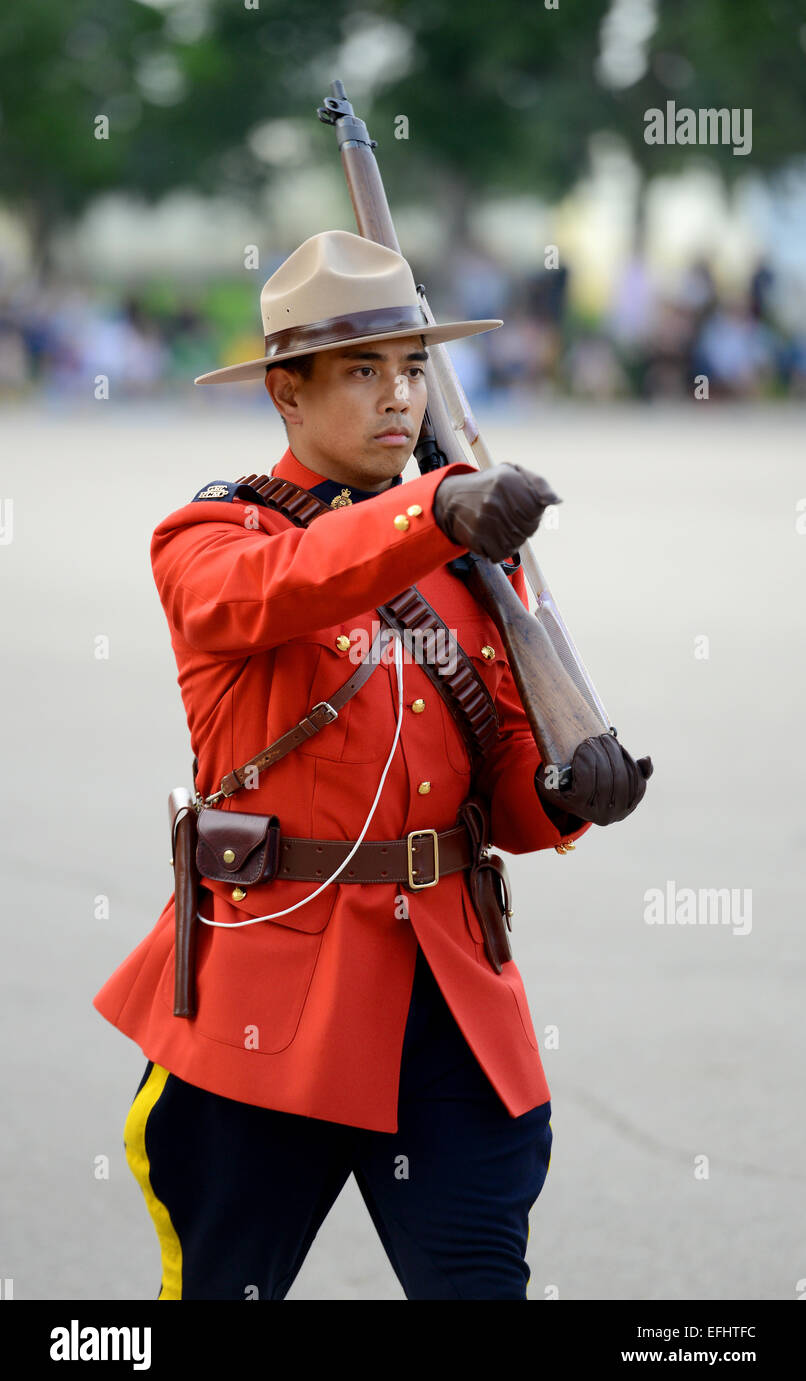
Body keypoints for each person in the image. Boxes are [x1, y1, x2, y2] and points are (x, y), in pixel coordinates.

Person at [93, 229, 652, 1300]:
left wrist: (563, 789)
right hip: (269, 997)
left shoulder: (466, 559)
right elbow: (281, 588)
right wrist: (431, 509)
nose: (397, 396)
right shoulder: (210, 535)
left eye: (409, 369)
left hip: (444, 993)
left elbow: (507, 789)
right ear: (284, 394)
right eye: (361, 370)